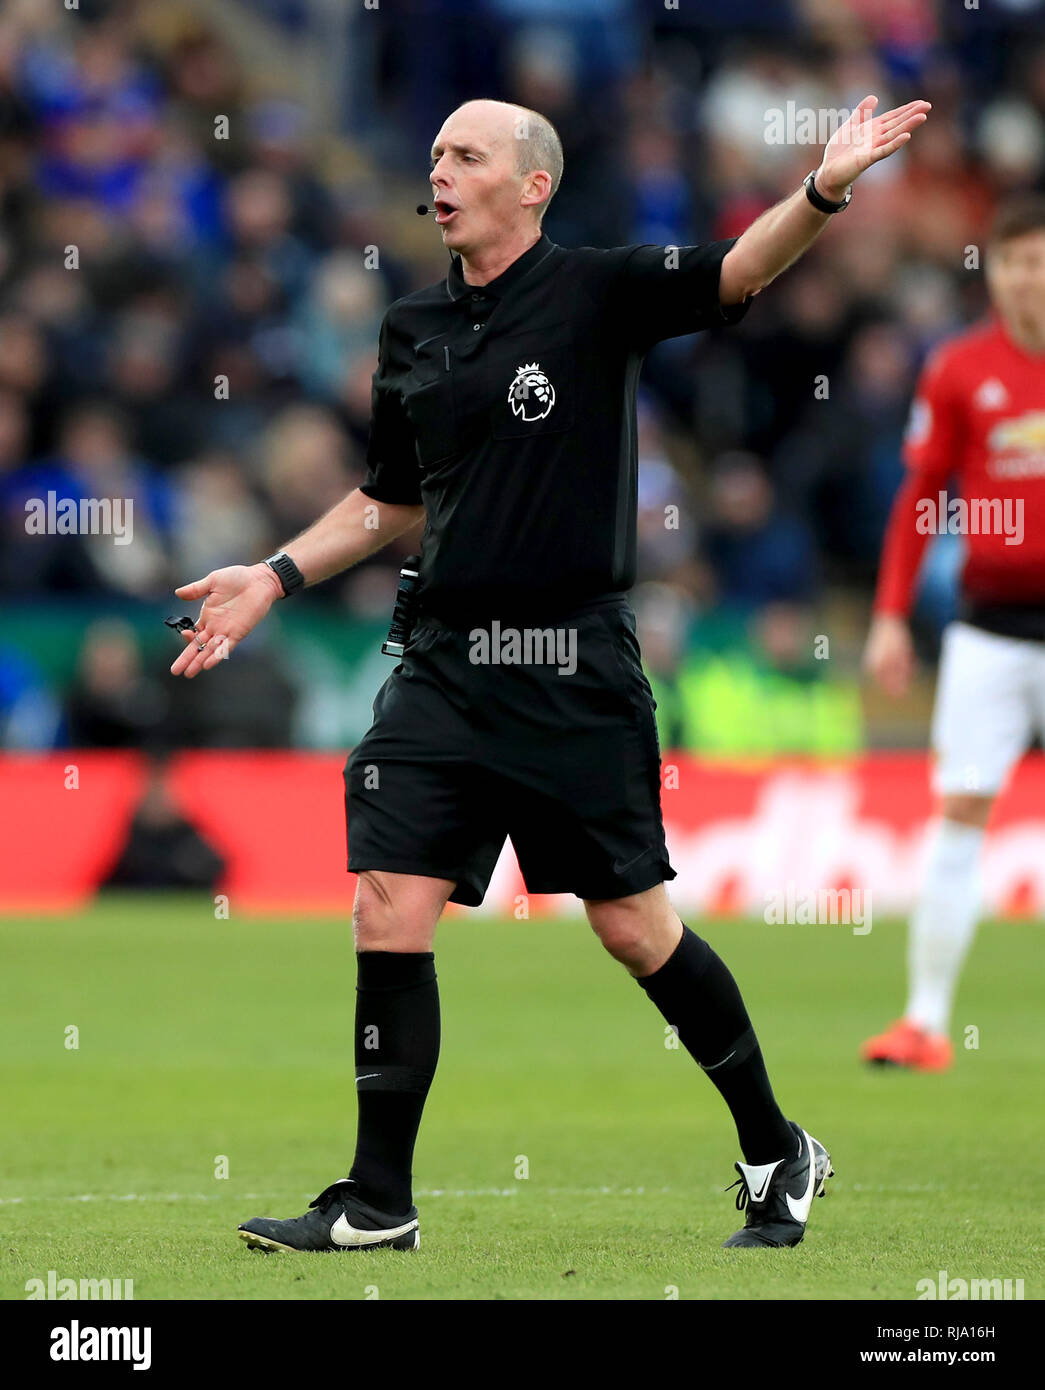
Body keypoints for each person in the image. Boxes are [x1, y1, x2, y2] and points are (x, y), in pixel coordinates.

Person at [170, 95, 930, 1250]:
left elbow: (735, 272)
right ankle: (378, 1203)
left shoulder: (596, 290)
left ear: (532, 185)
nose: (441, 171)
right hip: (440, 660)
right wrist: (275, 574)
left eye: (467, 155)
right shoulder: (411, 328)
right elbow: (390, 502)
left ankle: (778, 1147)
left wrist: (821, 190)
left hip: (568, 663)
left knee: (631, 927)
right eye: (433, 154)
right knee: (387, 903)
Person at [863, 196, 1045, 1072]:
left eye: (1040, 262)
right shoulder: (958, 366)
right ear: (993, 272)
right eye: (1014, 262)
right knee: (960, 809)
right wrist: (890, 616)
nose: (1027, 279)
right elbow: (917, 498)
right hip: (988, 632)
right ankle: (924, 1022)